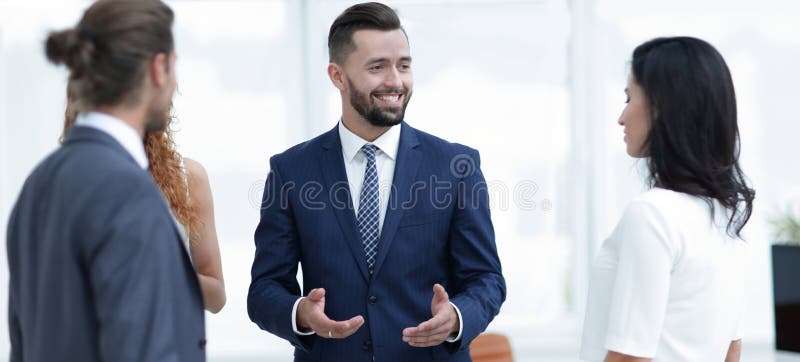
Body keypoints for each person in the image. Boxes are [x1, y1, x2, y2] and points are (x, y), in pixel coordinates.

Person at [247, 2, 506, 361]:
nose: (395, 81)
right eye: (377, 67)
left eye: (404, 65)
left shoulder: (456, 166)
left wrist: (457, 317)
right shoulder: (291, 172)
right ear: (337, 76)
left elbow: (487, 280)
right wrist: (301, 314)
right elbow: (264, 290)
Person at [6, 1, 206, 360]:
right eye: (175, 67)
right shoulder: (129, 193)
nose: (176, 82)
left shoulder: (38, 184)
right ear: (158, 68)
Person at [580, 36, 756, 362]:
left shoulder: (652, 214)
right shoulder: (728, 217)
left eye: (629, 97)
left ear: (662, 107)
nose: (621, 117)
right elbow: (732, 350)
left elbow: (630, 356)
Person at [62, 92, 226, 313]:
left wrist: (167, 269)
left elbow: (217, 297)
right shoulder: (68, 182)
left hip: (167, 341)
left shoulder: (188, 178)